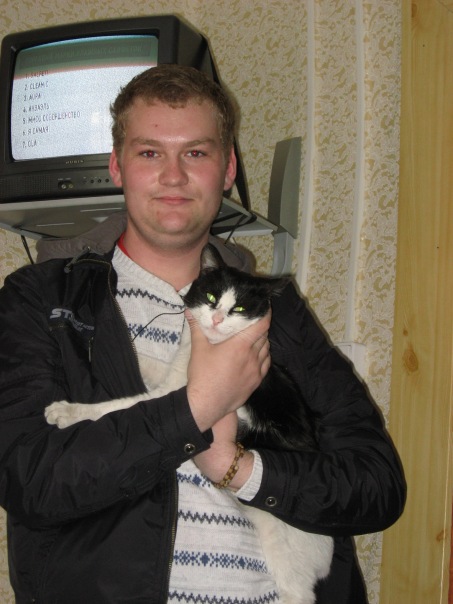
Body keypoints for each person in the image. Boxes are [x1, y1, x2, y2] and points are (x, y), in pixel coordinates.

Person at [0, 64, 405, 604]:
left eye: (195, 152)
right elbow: (28, 478)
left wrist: (239, 468)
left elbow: (378, 487)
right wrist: (197, 408)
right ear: (117, 166)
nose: (173, 176)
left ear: (227, 168)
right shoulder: (41, 297)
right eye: (150, 153)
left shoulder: (280, 312)